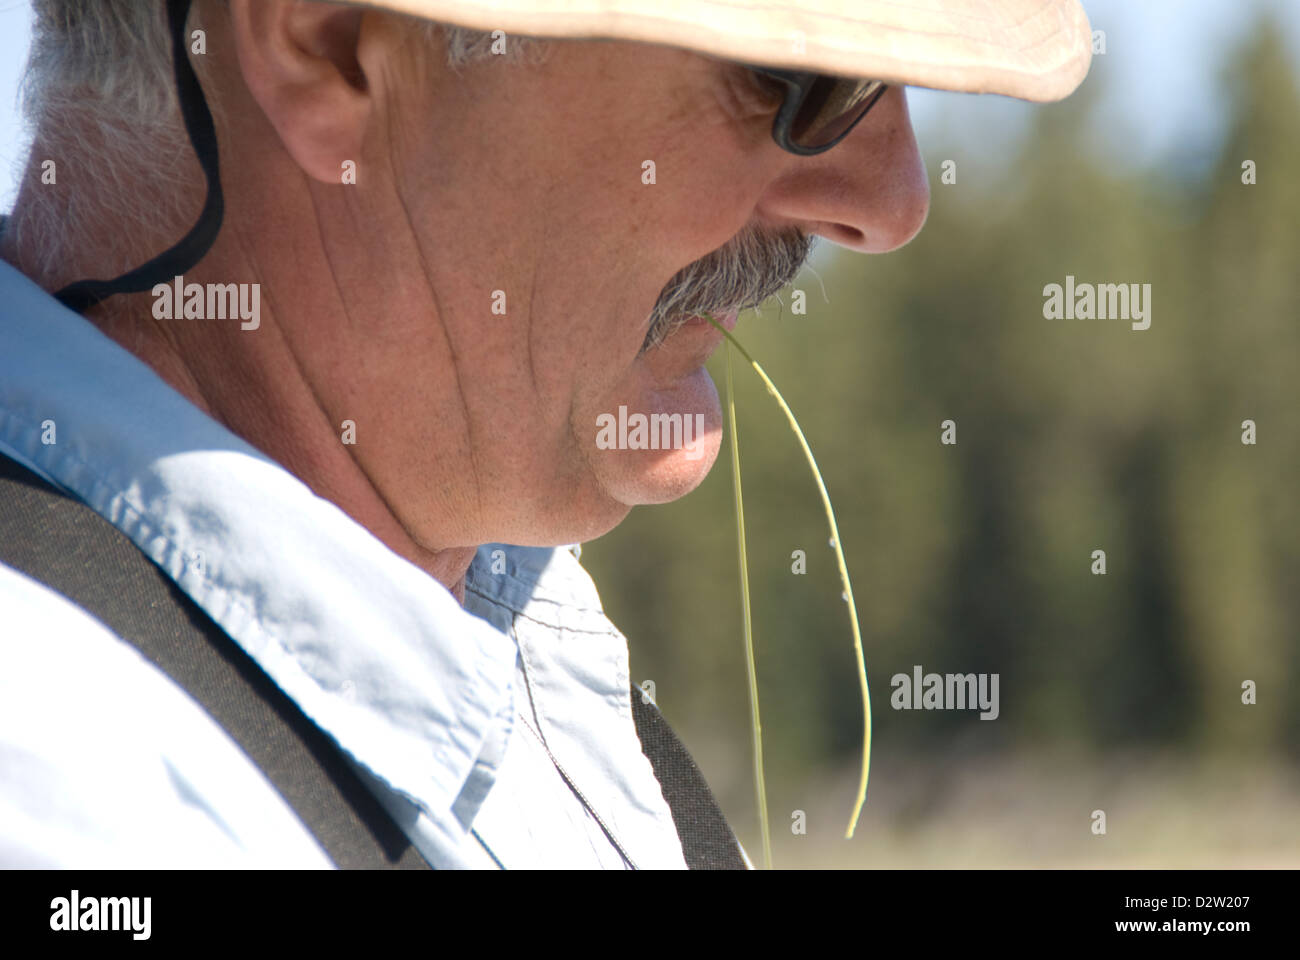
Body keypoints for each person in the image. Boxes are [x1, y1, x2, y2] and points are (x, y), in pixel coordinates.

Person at [0, 0, 1091, 868]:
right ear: (329, 50)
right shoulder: (63, 777)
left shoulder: (507, 616)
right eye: (797, 82)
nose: (889, 204)